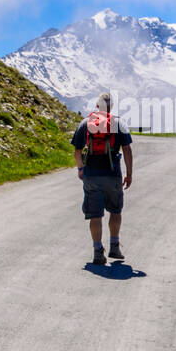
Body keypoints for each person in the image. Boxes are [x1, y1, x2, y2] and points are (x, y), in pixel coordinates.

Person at [71, 93, 134, 265]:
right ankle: (114, 246)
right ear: (111, 106)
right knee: (115, 211)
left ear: (97, 106)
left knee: (95, 216)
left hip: (91, 174)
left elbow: (77, 151)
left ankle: (98, 251)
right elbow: (127, 149)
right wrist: (129, 173)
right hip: (112, 174)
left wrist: (80, 169)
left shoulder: (85, 123)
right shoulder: (119, 123)